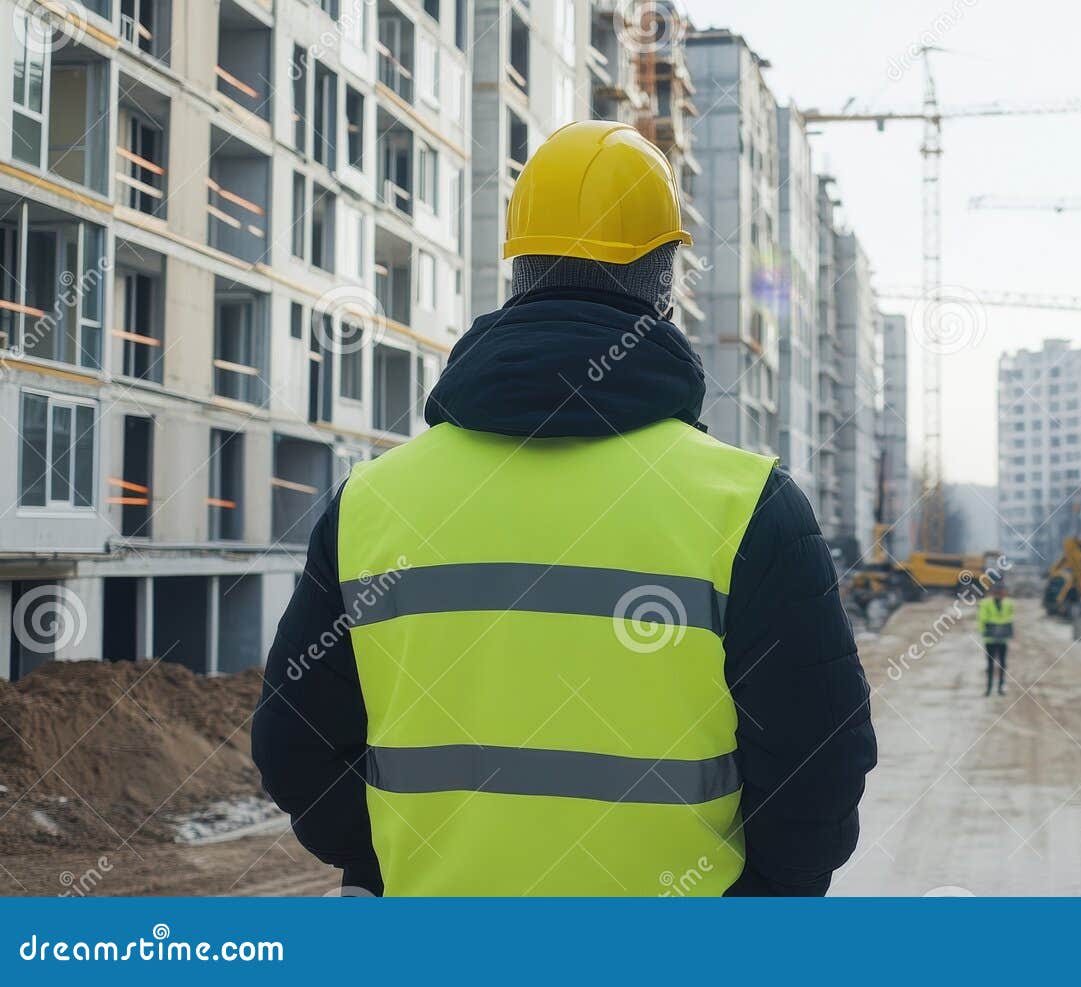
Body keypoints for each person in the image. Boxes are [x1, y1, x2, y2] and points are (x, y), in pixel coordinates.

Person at [251, 121, 877, 897]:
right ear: (664, 280)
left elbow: (294, 747)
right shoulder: (748, 507)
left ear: (518, 271)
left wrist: (399, 856)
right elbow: (819, 775)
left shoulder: (370, 504)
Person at [977, 583, 1016, 696]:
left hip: (1002, 639)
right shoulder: (985, 603)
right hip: (990, 639)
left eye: (1001, 592)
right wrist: (983, 631)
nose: (999, 594)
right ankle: (989, 688)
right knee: (990, 664)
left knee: (1002, 664)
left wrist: (1009, 631)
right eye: (997, 592)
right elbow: (982, 618)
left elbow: (1010, 618)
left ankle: (1000, 688)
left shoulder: (1008, 603)